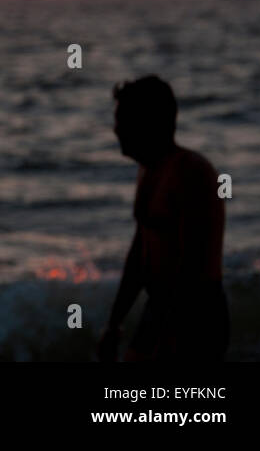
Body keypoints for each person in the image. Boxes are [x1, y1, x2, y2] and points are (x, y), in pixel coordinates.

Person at [98, 75, 228, 361]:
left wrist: (163, 333)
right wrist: (114, 322)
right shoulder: (148, 170)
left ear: (146, 123)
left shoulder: (190, 172)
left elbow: (190, 265)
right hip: (160, 306)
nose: (116, 130)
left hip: (196, 311)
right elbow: (138, 255)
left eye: (122, 120)